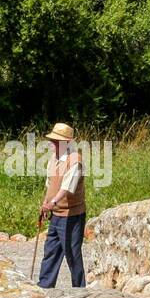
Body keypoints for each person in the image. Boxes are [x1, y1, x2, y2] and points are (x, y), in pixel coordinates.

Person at [36, 122, 86, 288]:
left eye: (56, 141)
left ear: (67, 142)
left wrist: (52, 203)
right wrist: (45, 203)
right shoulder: (54, 158)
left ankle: (79, 288)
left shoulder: (75, 161)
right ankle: (44, 285)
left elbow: (67, 188)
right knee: (50, 250)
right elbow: (50, 183)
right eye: (52, 140)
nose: (52, 143)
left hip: (71, 215)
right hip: (56, 213)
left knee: (72, 254)